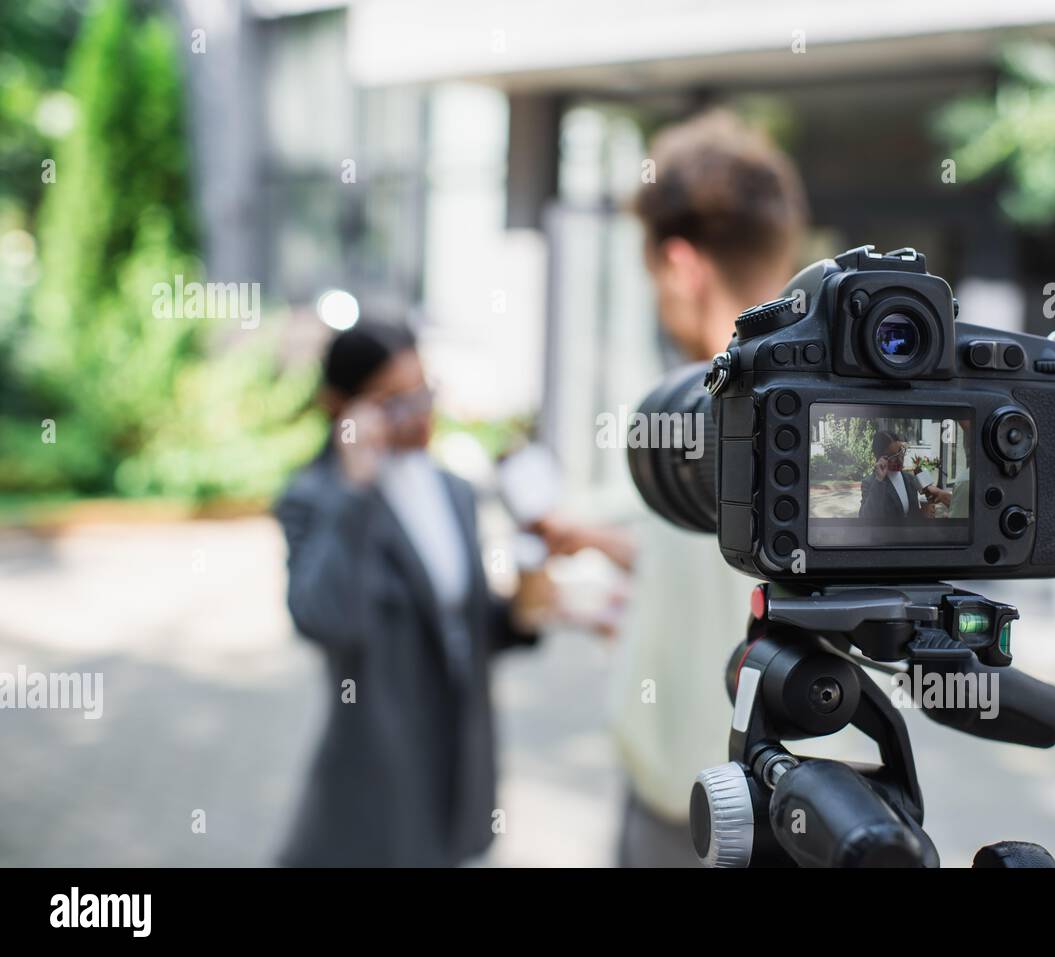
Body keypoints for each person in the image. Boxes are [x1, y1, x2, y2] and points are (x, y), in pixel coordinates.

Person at [540, 110, 808, 866]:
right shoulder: (829, 417)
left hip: (694, 819)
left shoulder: (693, 414)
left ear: (683, 266)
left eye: (653, 276)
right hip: (806, 812)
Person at [275, 320, 548, 867]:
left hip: (461, 763)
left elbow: (470, 626)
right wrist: (355, 488)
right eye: (392, 401)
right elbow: (326, 619)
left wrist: (531, 580)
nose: (419, 414)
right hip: (377, 774)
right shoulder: (316, 499)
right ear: (340, 406)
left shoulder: (453, 491)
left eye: (423, 392)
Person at [859, 430, 925, 524]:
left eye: (900, 451)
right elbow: (864, 518)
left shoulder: (909, 478)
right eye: (893, 456)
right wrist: (879, 480)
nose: (900, 459)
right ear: (880, 458)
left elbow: (913, 512)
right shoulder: (871, 482)